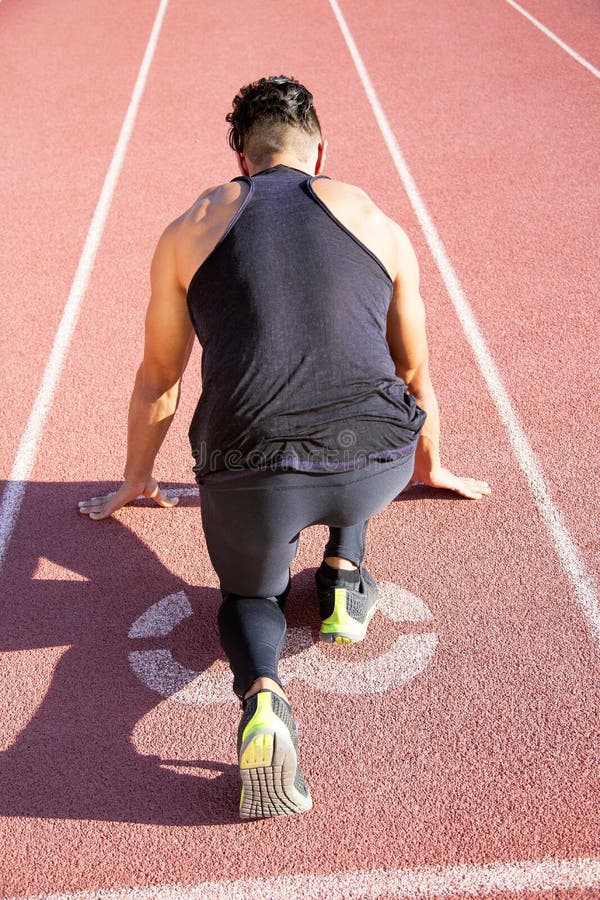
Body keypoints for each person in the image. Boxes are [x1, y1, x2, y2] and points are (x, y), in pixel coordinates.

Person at [79, 75, 490, 819]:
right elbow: (413, 372)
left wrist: (137, 476)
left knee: (249, 597)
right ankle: (343, 570)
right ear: (321, 151)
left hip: (251, 475)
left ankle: (263, 694)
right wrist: (430, 465)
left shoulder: (190, 228)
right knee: (360, 404)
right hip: (376, 467)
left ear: (240, 156)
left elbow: (160, 380)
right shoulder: (375, 219)